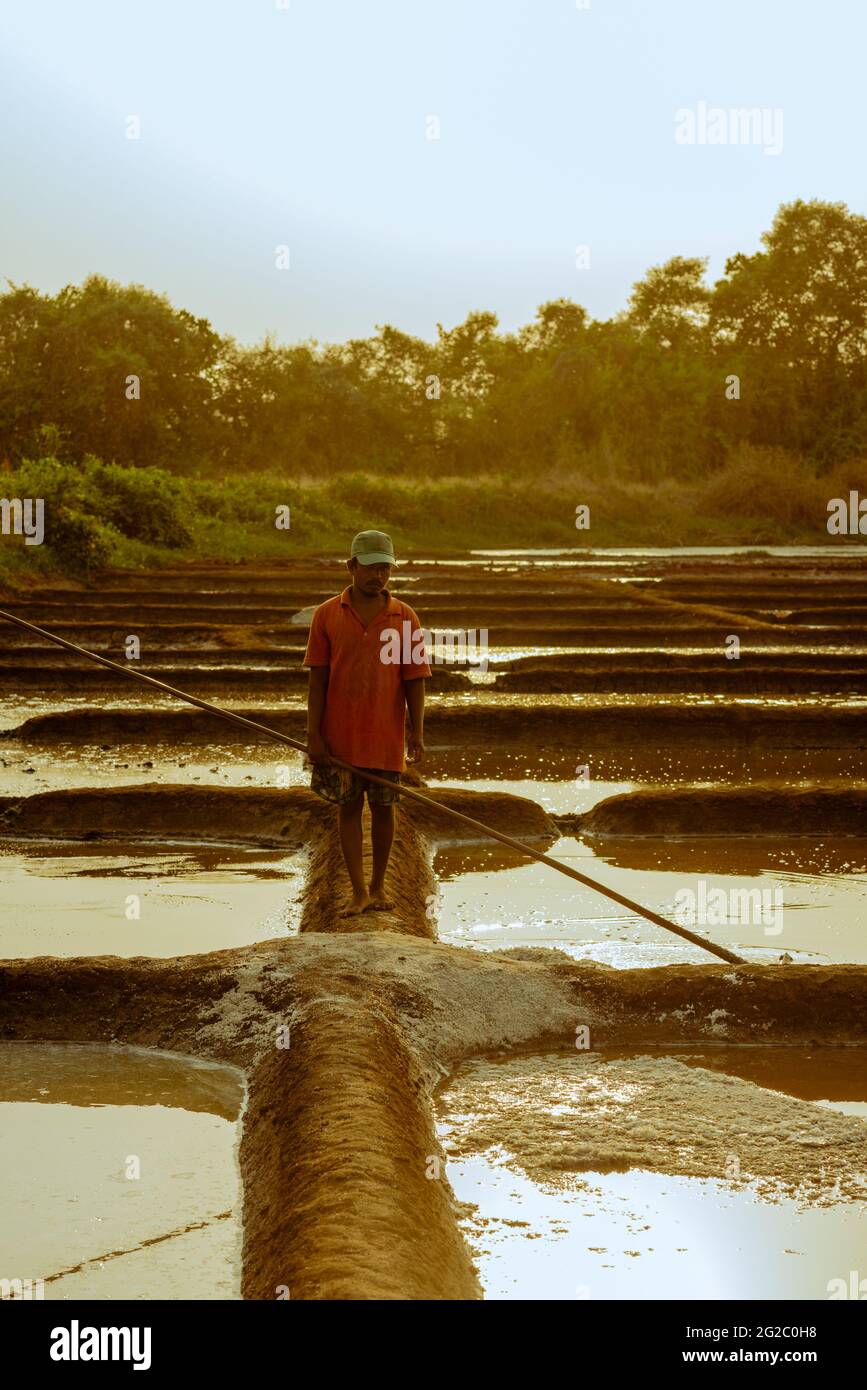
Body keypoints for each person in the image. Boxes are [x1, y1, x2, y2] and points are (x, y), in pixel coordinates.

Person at [303, 529, 431, 915]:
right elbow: (318, 680)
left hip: (385, 735)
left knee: (384, 809)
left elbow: (414, 680)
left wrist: (418, 733)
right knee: (347, 809)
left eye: (385, 569)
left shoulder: (404, 617)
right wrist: (314, 735)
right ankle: (358, 891)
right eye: (371, 568)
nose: (379, 576)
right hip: (340, 736)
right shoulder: (327, 615)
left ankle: (378, 888)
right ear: (352, 567)